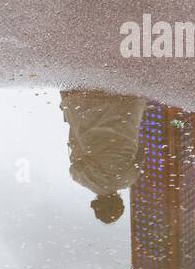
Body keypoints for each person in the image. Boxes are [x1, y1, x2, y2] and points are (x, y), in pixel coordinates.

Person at [59, 90, 147, 224]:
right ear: (97, 204)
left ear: (119, 201)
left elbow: (141, 154)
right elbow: (74, 169)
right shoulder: (85, 180)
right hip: (85, 111)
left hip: (126, 109)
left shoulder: (128, 179)